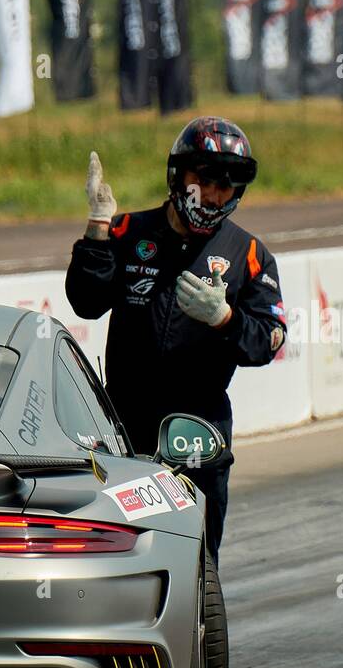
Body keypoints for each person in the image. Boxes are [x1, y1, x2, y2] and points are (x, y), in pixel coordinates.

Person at [65, 116, 286, 564]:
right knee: (114, 552)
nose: (214, 194)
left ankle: (198, 633)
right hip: (124, 427)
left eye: (228, 185)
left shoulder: (249, 254)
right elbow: (86, 303)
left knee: (196, 562)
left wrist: (225, 318)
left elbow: (267, 341)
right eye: (205, 180)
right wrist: (96, 229)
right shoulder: (127, 231)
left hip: (199, 431)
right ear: (177, 175)